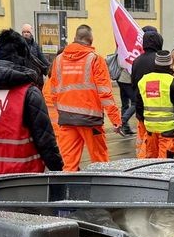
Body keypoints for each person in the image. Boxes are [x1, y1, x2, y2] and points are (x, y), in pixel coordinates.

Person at [0, 29, 62, 174]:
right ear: (23, 56)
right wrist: (58, 170)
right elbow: (45, 141)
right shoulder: (29, 92)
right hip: (22, 176)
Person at [44, 25, 121, 170]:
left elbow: (53, 92)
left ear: (75, 39)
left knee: (68, 165)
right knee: (100, 164)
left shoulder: (59, 60)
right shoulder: (95, 60)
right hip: (90, 120)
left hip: (67, 119)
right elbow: (105, 93)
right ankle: (102, 192)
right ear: (90, 41)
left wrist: (61, 111)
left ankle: (67, 191)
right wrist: (116, 119)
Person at [134, 51, 174, 158]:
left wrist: (144, 121)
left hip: (150, 128)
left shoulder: (144, 80)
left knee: (151, 160)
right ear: (170, 64)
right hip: (168, 130)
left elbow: (139, 106)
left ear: (156, 63)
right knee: (164, 162)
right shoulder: (173, 82)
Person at [129, 29, 165, 153]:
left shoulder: (136, 61)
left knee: (144, 142)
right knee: (159, 144)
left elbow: (133, 83)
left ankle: (142, 161)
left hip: (142, 107)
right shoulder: (160, 59)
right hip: (159, 109)